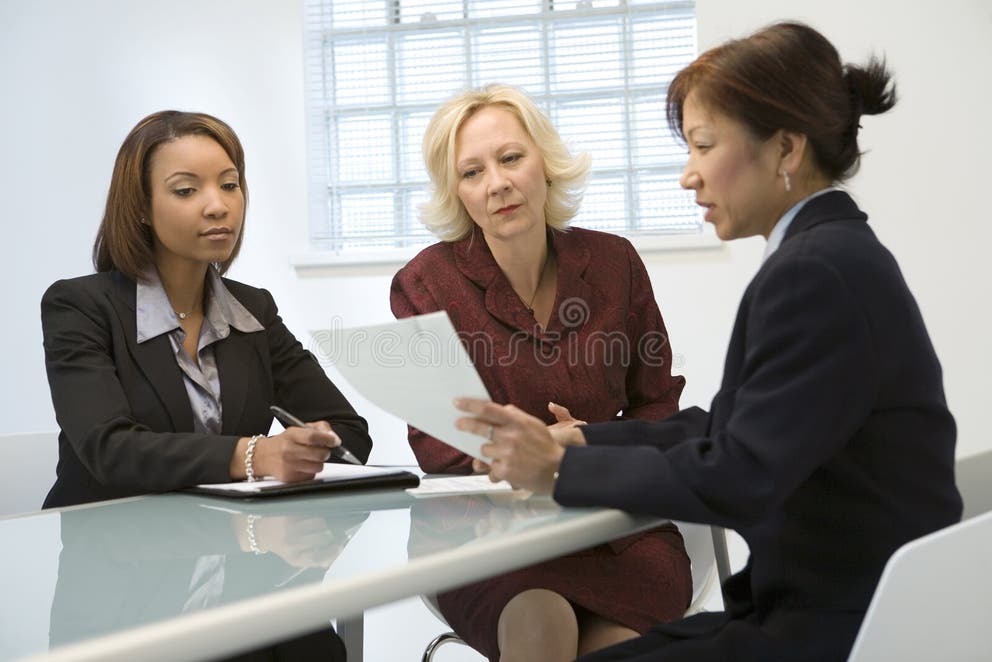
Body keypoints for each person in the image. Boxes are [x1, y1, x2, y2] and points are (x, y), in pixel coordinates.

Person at [453, 22, 963, 662]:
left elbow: (738, 473)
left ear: (785, 150)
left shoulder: (813, 273)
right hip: (841, 605)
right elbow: (729, 428)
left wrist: (561, 468)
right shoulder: (835, 253)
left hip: (836, 626)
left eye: (702, 146)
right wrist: (586, 437)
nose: (688, 176)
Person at [40, 110, 372, 660]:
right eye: (186, 189)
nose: (218, 204)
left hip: (248, 580)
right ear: (141, 209)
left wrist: (308, 448)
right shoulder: (80, 306)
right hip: (121, 594)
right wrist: (253, 455)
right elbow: (109, 448)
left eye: (230, 184)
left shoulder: (253, 310)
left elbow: (349, 435)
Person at [391, 84, 692, 661]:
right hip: (484, 533)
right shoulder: (424, 283)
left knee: (621, 647)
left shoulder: (614, 264)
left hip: (610, 524)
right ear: (458, 193)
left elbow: (659, 407)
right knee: (538, 620)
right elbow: (438, 445)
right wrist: (536, 453)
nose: (497, 183)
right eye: (472, 172)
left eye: (510, 158)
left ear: (544, 164)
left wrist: (587, 445)